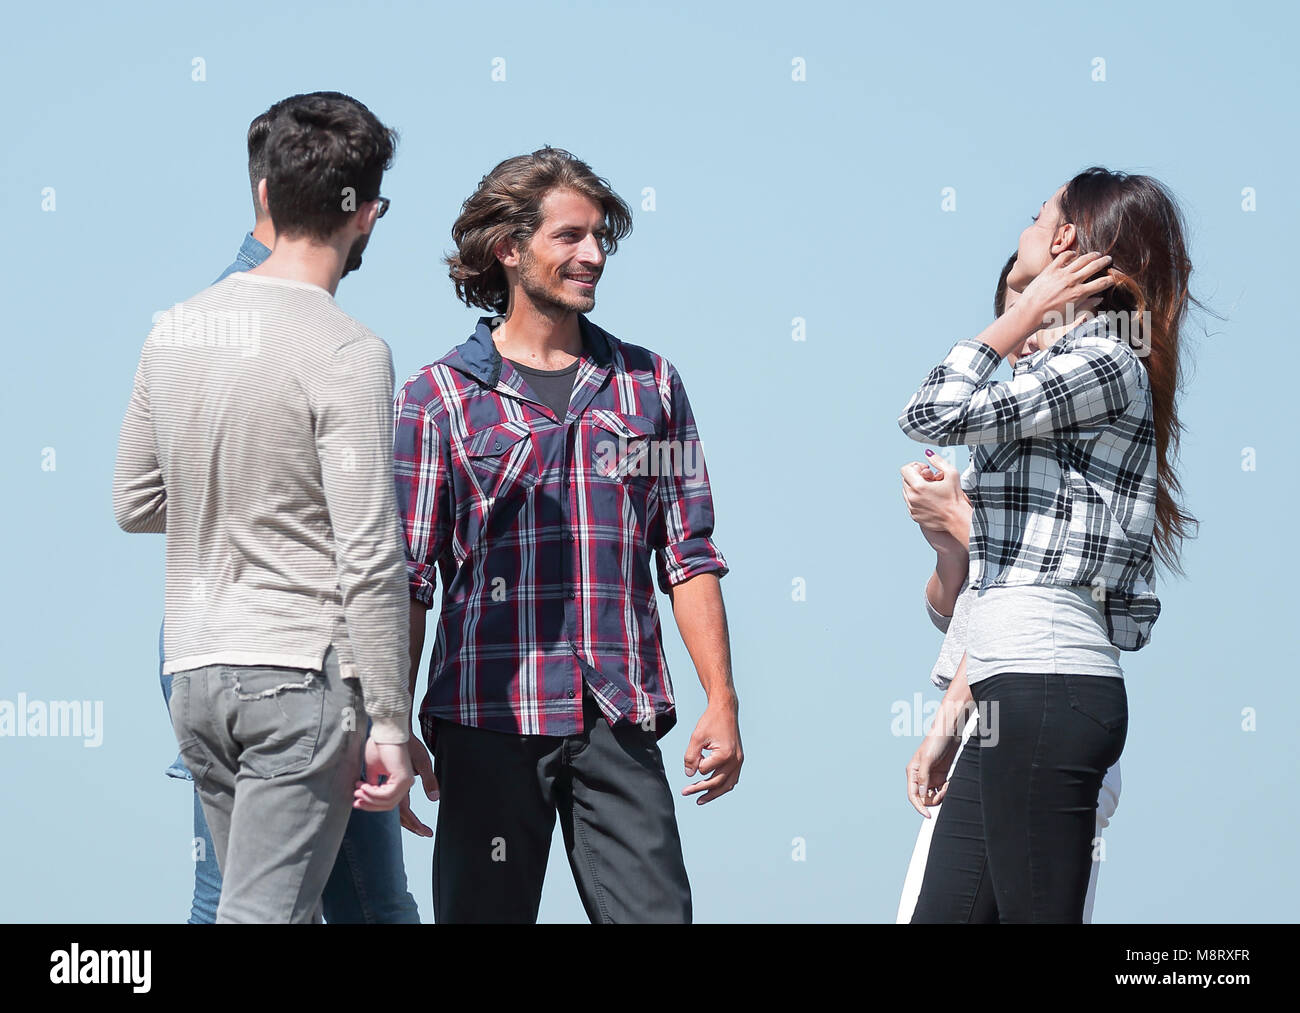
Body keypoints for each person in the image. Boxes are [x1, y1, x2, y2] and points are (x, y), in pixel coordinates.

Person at [393, 146, 742, 923]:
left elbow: (687, 552)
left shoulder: (650, 385)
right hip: (487, 714)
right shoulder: (436, 399)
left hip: (619, 714)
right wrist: (391, 720)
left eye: (599, 239)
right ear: (508, 249)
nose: (592, 255)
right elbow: (410, 579)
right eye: (570, 237)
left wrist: (723, 698)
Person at [114, 92, 415, 923]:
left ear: (264, 196)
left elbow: (133, 500)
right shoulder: (350, 351)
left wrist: (236, 494)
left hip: (196, 675)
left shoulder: (173, 328)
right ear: (369, 216)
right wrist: (391, 720)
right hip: (295, 673)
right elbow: (368, 552)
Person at [898, 167, 1198, 923]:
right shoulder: (1068, 367)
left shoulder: (1102, 362)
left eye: (1037, 218)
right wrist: (951, 722)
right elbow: (1004, 577)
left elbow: (931, 410)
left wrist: (1022, 308)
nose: (1025, 230)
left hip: (1048, 685)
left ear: (1065, 238)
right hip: (1011, 686)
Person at [894, 253, 1121, 924]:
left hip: (1033, 706)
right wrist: (948, 542)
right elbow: (952, 606)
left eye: (1037, 306)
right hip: (991, 717)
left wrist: (965, 524)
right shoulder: (1010, 449)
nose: (1021, 329)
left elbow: (1038, 605)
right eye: (1013, 304)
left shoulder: (1085, 435)